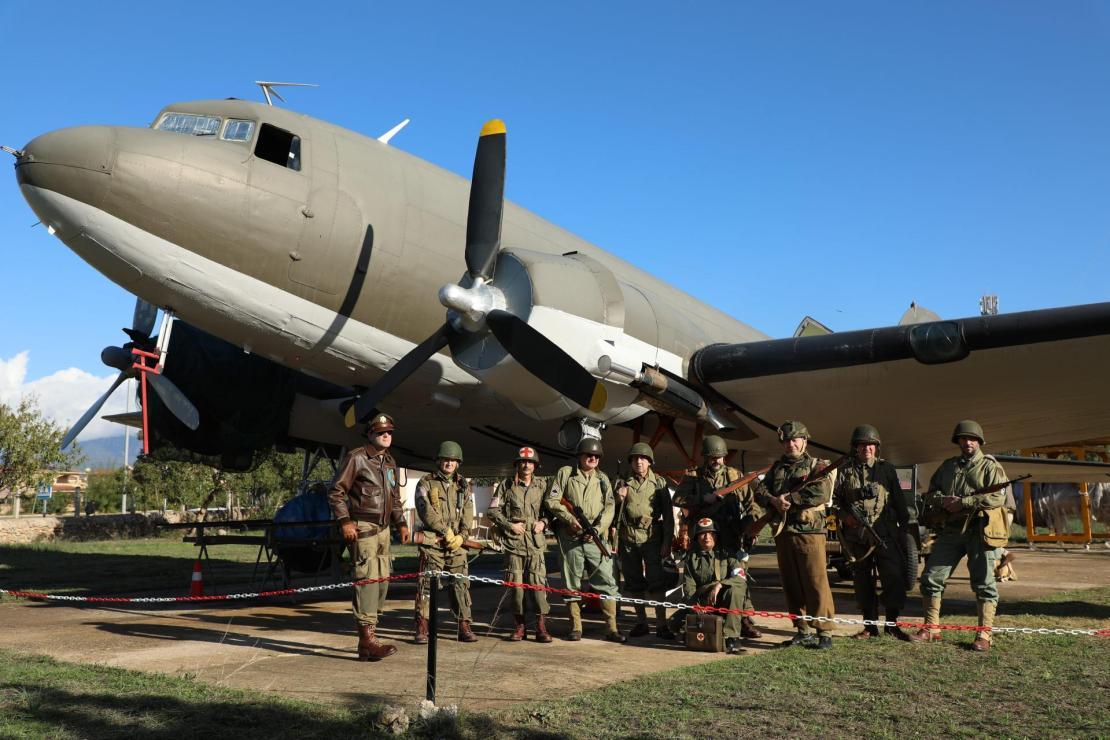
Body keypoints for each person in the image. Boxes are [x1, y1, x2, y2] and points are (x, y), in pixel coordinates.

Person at [910, 420, 1010, 651]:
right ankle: (931, 628)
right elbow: (931, 493)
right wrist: (943, 501)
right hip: (951, 531)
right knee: (931, 577)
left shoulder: (990, 467)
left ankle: (984, 636)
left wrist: (964, 502)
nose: (967, 442)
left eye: (972, 439)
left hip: (979, 531)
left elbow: (998, 498)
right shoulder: (947, 467)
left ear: (979, 442)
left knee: (984, 584)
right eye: (963, 439)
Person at [328, 413, 409, 661]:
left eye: (389, 432)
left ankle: (367, 643)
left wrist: (402, 523)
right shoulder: (357, 457)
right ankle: (368, 639)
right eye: (381, 432)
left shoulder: (389, 461)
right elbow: (336, 492)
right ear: (370, 434)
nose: (386, 435)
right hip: (363, 528)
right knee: (367, 582)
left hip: (384, 531)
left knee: (382, 582)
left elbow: (394, 498)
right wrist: (345, 521)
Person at [673, 435, 763, 639]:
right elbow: (678, 498)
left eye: (720, 457)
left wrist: (752, 525)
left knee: (739, 576)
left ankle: (744, 619)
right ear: (705, 457)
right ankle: (699, 614)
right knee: (702, 576)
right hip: (705, 536)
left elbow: (752, 503)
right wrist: (701, 499)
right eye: (713, 457)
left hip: (730, 535)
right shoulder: (694, 477)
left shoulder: (734, 476)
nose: (717, 461)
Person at [756, 420, 836, 649]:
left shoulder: (816, 465)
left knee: (815, 581)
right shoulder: (777, 468)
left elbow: (821, 493)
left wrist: (790, 499)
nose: (791, 444)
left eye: (795, 439)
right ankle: (802, 630)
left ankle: (824, 633)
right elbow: (760, 490)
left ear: (804, 441)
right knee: (791, 582)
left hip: (809, 532)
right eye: (787, 440)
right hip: (784, 531)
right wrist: (773, 500)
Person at [834, 425, 912, 640]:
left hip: (884, 533)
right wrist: (845, 517)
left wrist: (903, 529)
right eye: (862, 444)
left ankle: (892, 624)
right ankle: (870, 626)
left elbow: (898, 499)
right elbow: (837, 502)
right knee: (862, 581)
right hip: (857, 536)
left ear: (876, 447)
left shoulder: (887, 469)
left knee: (894, 577)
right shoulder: (845, 471)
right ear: (855, 447)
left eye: (870, 444)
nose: (866, 448)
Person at [544, 437, 624, 642]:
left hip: (595, 537)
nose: (592, 458)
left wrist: (597, 528)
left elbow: (609, 507)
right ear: (579, 456)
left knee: (607, 581)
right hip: (571, 538)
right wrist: (569, 519)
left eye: (596, 456)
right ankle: (576, 627)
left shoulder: (603, 479)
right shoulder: (566, 473)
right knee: (571, 582)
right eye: (589, 455)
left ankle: (612, 628)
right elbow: (552, 500)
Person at [486, 446, 553, 643]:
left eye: (530, 462)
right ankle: (520, 626)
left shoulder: (542, 486)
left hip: (535, 544)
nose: (526, 465)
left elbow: (551, 510)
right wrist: (510, 525)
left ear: (535, 465)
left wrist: (544, 522)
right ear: (517, 464)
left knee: (538, 587)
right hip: (514, 545)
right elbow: (493, 511)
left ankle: (541, 627)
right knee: (516, 589)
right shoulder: (506, 486)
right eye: (523, 462)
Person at [413, 441, 478, 643]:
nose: (449, 463)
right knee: (426, 586)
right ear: (438, 461)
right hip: (434, 542)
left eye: (453, 460)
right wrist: (445, 530)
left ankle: (464, 626)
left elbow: (468, 512)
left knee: (460, 585)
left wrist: (462, 536)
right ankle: (422, 627)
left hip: (456, 544)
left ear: (458, 463)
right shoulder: (425, 482)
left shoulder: (463, 486)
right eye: (445, 459)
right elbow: (424, 509)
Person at [614, 442, 675, 639]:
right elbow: (610, 509)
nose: (639, 462)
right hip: (628, 538)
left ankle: (661, 624)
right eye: (635, 458)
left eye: (643, 458)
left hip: (652, 538)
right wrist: (617, 497)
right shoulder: (622, 481)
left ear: (649, 461)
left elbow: (668, 516)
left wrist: (667, 542)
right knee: (633, 582)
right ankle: (641, 623)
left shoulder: (659, 482)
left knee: (657, 582)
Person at [666, 517, 749, 655]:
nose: (707, 537)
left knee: (735, 590)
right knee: (674, 624)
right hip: (703, 602)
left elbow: (740, 578)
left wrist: (720, 585)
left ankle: (732, 638)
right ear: (697, 538)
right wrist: (695, 606)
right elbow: (689, 587)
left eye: (711, 533)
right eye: (702, 534)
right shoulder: (691, 559)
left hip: (725, 600)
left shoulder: (727, 555)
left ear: (716, 536)